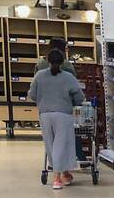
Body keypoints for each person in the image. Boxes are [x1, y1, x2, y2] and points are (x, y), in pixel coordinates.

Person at [29, 49, 86, 190]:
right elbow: (80, 97)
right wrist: (71, 101)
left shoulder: (39, 76)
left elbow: (32, 95)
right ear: (63, 62)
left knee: (51, 145)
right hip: (63, 114)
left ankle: (65, 174)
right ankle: (57, 178)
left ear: (48, 61)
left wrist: (44, 100)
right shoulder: (68, 77)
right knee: (62, 145)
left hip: (45, 114)